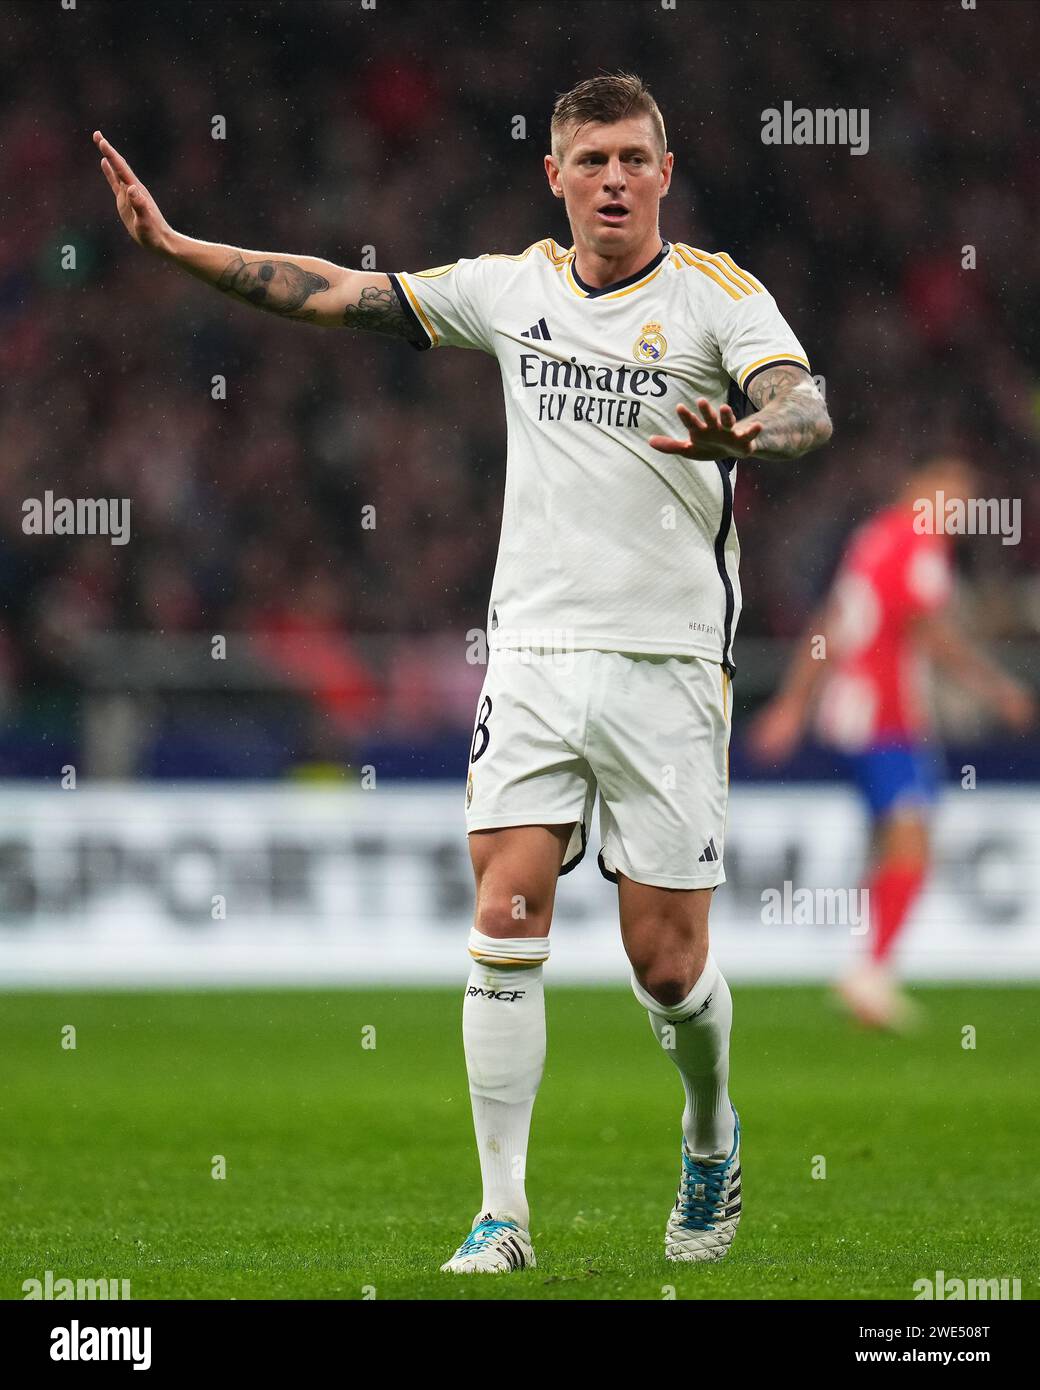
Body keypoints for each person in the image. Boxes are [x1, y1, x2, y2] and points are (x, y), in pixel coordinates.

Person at [94, 71, 833, 1272]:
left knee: (667, 966)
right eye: (589, 159)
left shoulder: (715, 298)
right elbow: (338, 291)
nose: (611, 179)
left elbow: (802, 403)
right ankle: (503, 1215)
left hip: (666, 665)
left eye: (633, 159)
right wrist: (176, 246)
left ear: (664, 171)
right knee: (504, 917)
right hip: (532, 655)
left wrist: (760, 429)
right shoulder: (509, 290)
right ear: (553, 174)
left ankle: (708, 1136)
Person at [749, 455, 1035, 1029]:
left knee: (894, 838)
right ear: (918, 489)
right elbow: (929, 633)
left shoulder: (873, 538)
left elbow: (830, 622)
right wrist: (997, 688)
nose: (956, 512)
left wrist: (793, 703)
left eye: (963, 502)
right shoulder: (917, 543)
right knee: (912, 837)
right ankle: (871, 972)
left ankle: (869, 967)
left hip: (851, 712)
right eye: (948, 497)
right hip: (886, 718)